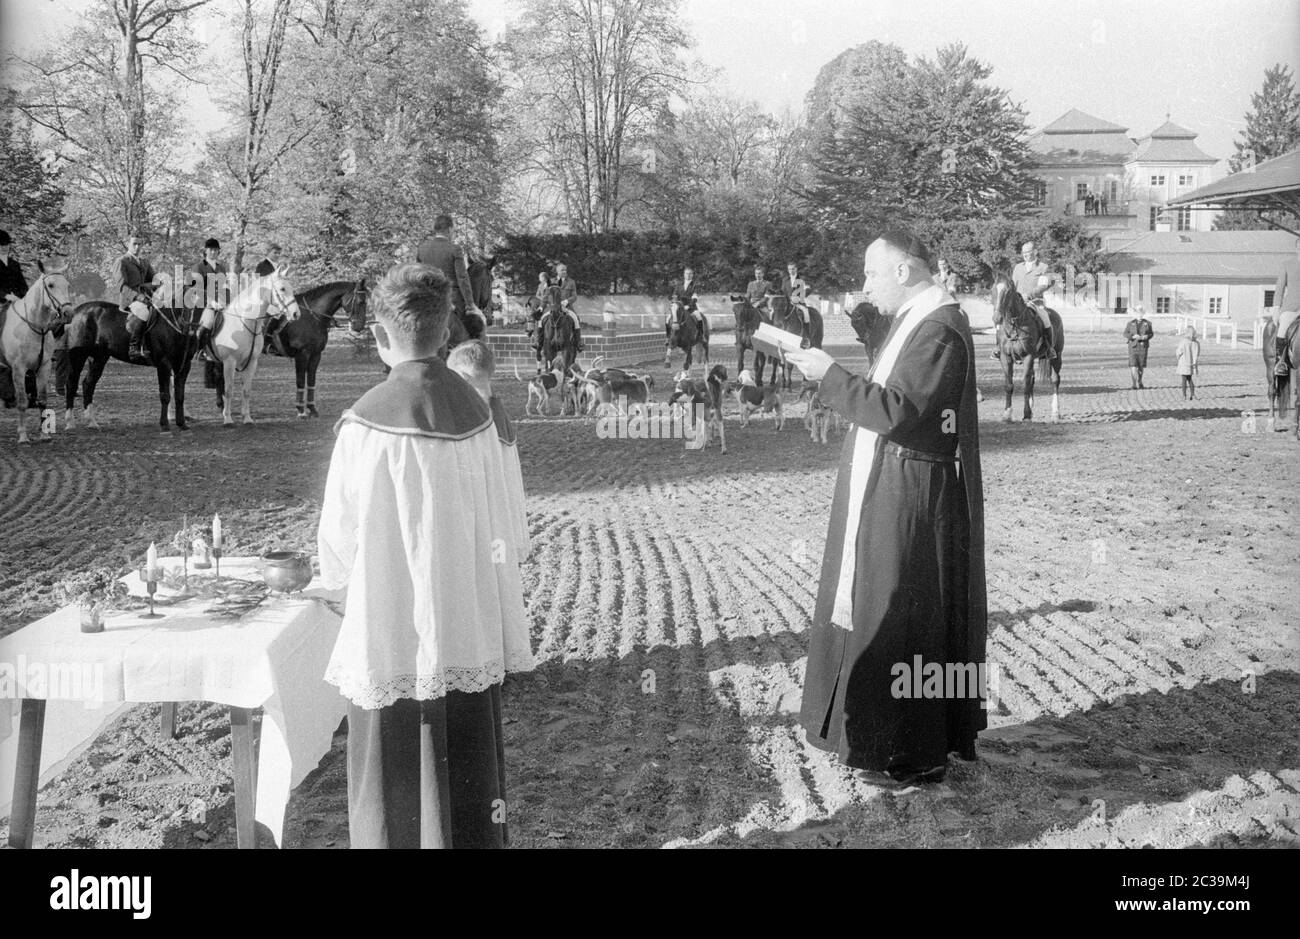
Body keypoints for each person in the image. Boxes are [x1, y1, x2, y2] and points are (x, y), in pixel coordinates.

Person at [317, 263, 534, 849]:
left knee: (390, 771)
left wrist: (337, 587)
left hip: (390, 625)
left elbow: (337, 544)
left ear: (381, 337)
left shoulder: (362, 424)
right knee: (468, 766)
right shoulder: (482, 415)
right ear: (445, 337)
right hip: (467, 620)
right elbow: (506, 523)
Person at [784, 227, 987, 785]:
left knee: (906, 615)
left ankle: (915, 753)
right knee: (884, 607)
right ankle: (885, 739)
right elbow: (896, 381)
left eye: (873, 272)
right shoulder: (919, 320)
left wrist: (828, 376)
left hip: (914, 493)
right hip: (893, 480)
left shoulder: (941, 327)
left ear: (904, 271)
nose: (864, 283)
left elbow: (899, 410)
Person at [447, 340, 529, 560]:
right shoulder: (501, 418)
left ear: (462, 377)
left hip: (480, 530)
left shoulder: (471, 423)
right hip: (502, 530)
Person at [415, 215, 486, 341]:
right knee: (477, 327)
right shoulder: (454, 249)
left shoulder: (422, 249)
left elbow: (419, 277)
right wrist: (470, 304)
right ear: (449, 229)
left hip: (428, 300)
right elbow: (463, 278)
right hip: (452, 300)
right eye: (453, 230)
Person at [1002, 240, 1056, 359]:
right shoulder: (1017, 268)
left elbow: (1044, 285)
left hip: (1034, 301)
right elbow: (1012, 286)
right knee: (1002, 318)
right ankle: (998, 347)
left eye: (1028, 252)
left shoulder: (1043, 267)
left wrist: (1029, 295)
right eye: (1023, 252)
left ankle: (1049, 348)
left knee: (1045, 318)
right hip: (1017, 302)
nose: (1025, 254)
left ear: (1035, 252)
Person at [0, 229, 32, 408]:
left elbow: (23, 286)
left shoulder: (14, 264)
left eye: (6, 245)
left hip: (17, 302)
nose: (4, 248)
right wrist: (5, 296)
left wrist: (21, 298)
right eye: (1, 245)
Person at [115, 232, 158, 364]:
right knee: (144, 312)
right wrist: (138, 296)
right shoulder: (122, 261)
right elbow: (122, 286)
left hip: (146, 297)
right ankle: (134, 347)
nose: (137, 247)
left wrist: (160, 282)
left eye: (140, 244)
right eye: (134, 243)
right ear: (128, 244)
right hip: (130, 299)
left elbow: (154, 279)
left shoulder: (144, 262)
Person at [193, 238, 229, 361]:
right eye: (211, 250)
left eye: (215, 250)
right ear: (205, 251)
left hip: (220, 302)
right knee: (208, 322)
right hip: (202, 301)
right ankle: (199, 350)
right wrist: (211, 302)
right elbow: (197, 289)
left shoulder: (221, 268)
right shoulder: (199, 267)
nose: (213, 252)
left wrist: (226, 301)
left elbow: (224, 287)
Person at [1271, 236, 1300, 376]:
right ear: (1297, 248)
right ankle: (1280, 362)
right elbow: (1279, 289)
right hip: (1292, 308)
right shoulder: (1288, 264)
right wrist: (1276, 308)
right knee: (1282, 330)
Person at [1124, 303, 1154, 389]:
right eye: (1137, 313)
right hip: (1133, 347)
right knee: (1133, 365)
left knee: (1141, 366)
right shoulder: (1130, 323)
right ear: (1135, 313)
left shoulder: (1148, 323)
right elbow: (1125, 333)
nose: (1139, 315)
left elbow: (1151, 334)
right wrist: (1132, 336)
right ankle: (1134, 384)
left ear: (1143, 313)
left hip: (1143, 347)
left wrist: (1147, 336)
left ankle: (1140, 381)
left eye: (1141, 313)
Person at [782, 261, 813, 342]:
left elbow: (809, 289)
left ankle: (806, 336)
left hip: (799, 303)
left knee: (806, 313)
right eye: (789, 269)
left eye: (793, 269)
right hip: (788, 303)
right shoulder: (785, 280)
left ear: (796, 269)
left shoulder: (802, 279)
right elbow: (783, 292)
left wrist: (799, 297)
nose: (791, 271)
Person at [1175, 325, 1200, 400]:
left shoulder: (1184, 342)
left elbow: (1179, 352)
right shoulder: (1196, 343)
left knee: (1184, 380)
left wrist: (1178, 357)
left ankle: (1184, 395)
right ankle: (1192, 394)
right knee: (1190, 379)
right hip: (1192, 363)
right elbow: (1198, 353)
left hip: (1184, 363)